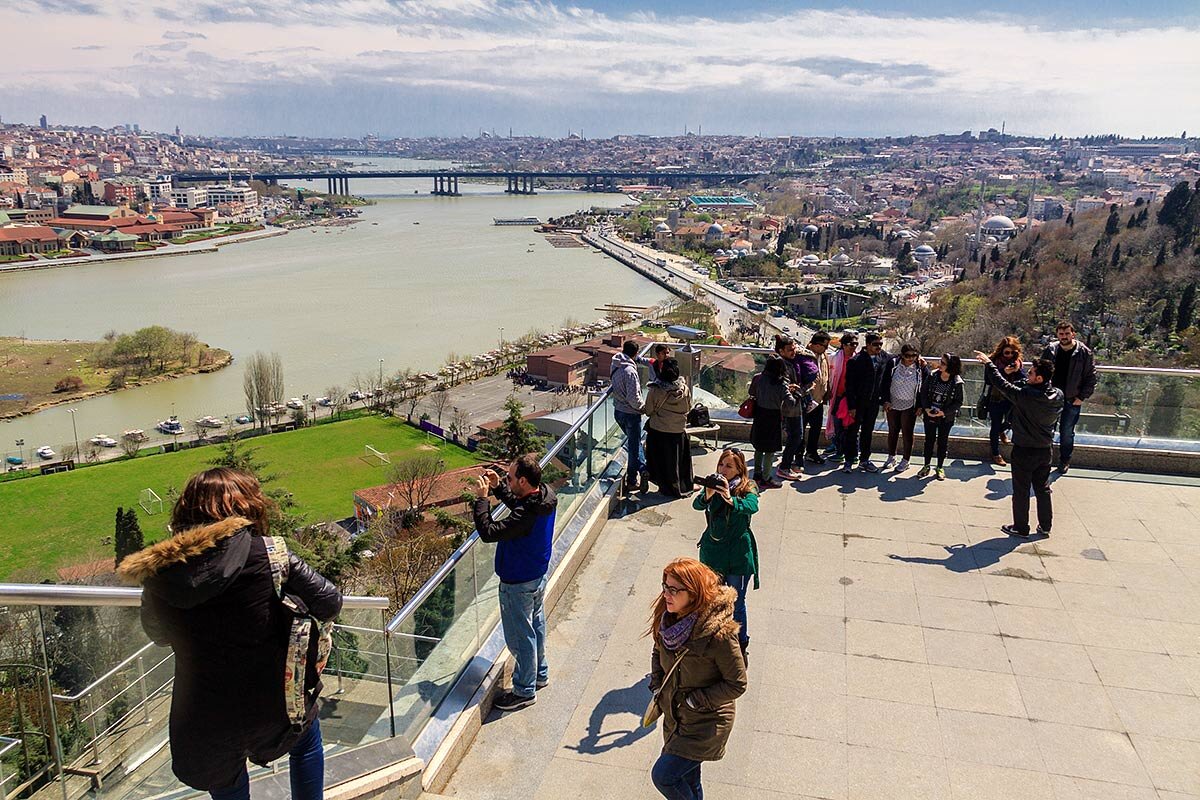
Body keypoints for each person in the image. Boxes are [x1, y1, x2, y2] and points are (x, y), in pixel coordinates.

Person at [118, 468, 343, 800]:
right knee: (306, 739)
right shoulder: (268, 553)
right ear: (247, 507)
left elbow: (158, 634)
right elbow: (329, 602)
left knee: (225, 777)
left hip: (202, 714)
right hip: (274, 702)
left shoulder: (159, 574)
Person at [647, 558, 747, 800]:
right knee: (689, 776)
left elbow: (737, 683)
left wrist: (697, 701)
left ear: (693, 593)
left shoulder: (719, 634)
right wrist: (657, 684)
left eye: (674, 589)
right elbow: (658, 650)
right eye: (665, 586)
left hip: (706, 721)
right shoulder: (669, 619)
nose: (666, 594)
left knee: (664, 776)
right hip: (676, 717)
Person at [472, 454, 558, 711]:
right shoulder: (544, 495)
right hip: (537, 574)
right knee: (536, 626)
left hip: (518, 582)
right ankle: (539, 673)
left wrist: (482, 499)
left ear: (522, 480)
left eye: (510, 478)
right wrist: (500, 488)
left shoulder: (526, 513)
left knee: (520, 637)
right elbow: (522, 508)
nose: (507, 481)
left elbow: (489, 533)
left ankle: (524, 690)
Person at [974, 352, 1065, 537]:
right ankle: (1045, 526)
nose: (1027, 375)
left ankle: (1021, 527)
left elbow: (1002, 384)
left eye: (1030, 373)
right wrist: (1020, 373)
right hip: (1045, 449)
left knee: (1021, 490)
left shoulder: (1025, 396)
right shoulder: (1058, 395)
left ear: (1038, 378)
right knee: (1043, 488)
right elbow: (1024, 386)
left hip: (1024, 449)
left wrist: (989, 364)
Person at [693, 449, 759, 661]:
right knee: (710, 599)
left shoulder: (747, 486)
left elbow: (752, 506)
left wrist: (730, 499)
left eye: (729, 466)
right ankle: (713, 638)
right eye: (722, 465)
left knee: (737, 604)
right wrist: (709, 494)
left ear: (740, 468)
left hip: (738, 556)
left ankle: (740, 645)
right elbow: (697, 504)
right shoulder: (713, 484)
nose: (724, 470)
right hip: (713, 554)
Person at [1041, 322, 1097, 473]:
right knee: (1046, 430)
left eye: (1067, 333)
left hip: (1072, 399)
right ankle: (1044, 461)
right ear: (1057, 334)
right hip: (1051, 399)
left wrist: (1081, 397)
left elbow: (1091, 377)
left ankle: (1065, 460)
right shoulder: (1050, 350)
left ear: (1073, 334)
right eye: (1061, 334)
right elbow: (1041, 371)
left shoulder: (1084, 352)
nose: (1064, 337)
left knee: (1067, 432)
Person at [643, 358, 694, 496]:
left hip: (658, 430)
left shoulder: (655, 390)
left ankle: (661, 483)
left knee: (659, 460)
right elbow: (689, 408)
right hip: (678, 431)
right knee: (677, 462)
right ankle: (681, 485)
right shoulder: (685, 389)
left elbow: (648, 411)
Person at [842, 332, 889, 473]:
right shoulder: (856, 361)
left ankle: (864, 460)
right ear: (867, 345)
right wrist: (852, 406)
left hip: (873, 403)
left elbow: (897, 358)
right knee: (852, 432)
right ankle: (849, 460)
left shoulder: (882, 357)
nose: (878, 347)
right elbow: (849, 385)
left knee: (867, 432)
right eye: (875, 345)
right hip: (858, 403)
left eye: (880, 344)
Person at [879, 343, 929, 472]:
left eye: (914, 355)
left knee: (907, 432)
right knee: (893, 431)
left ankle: (906, 460)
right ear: (902, 355)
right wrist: (886, 400)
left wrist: (920, 406)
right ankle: (891, 457)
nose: (910, 358)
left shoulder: (920, 367)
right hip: (893, 402)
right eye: (907, 355)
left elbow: (924, 388)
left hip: (910, 404)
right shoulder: (893, 363)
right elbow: (884, 382)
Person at [749, 355, 797, 488]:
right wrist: (794, 392)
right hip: (773, 417)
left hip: (759, 414)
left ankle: (757, 476)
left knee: (758, 447)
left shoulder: (758, 378)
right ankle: (766, 477)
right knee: (770, 450)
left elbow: (751, 392)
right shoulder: (781, 383)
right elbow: (791, 403)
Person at [774, 334, 818, 481]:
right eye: (790, 350)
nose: (794, 352)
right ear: (781, 351)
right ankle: (784, 467)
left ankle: (786, 465)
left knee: (796, 436)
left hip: (796, 406)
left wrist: (799, 388)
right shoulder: (782, 366)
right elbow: (787, 390)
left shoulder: (792, 362)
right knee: (796, 436)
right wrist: (807, 388)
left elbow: (795, 387)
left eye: (794, 349)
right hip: (790, 408)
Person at [916, 353, 964, 481]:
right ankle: (926, 465)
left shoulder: (957, 382)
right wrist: (926, 408)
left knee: (942, 441)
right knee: (929, 440)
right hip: (930, 413)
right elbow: (924, 392)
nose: (940, 365)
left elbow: (958, 402)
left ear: (951, 366)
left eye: (943, 363)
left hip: (945, 417)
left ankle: (940, 467)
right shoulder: (933, 376)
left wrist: (944, 412)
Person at [611, 339, 650, 492]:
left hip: (618, 411)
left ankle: (642, 469)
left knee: (634, 443)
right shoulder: (630, 372)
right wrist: (643, 408)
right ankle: (634, 478)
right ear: (635, 353)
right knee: (634, 447)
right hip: (631, 414)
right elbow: (634, 398)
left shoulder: (615, 363)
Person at [984, 337, 1026, 466]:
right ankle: (995, 453)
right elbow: (988, 380)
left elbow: (1024, 380)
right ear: (1001, 351)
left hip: (1012, 397)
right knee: (995, 425)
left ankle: (1001, 431)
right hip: (995, 398)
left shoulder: (1017, 362)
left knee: (1012, 421)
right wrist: (1002, 372)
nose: (1010, 356)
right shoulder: (993, 362)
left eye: (1013, 353)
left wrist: (1016, 370)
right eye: (1007, 352)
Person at [824, 332, 859, 462]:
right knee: (837, 424)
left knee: (851, 426)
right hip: (837, 396)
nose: (854, 347)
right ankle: (838, 450)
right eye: (851, 344)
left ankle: (851, 453)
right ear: (843, 345)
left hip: (852, 399)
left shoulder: (858, 359)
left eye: (856, 344)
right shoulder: (833, 358)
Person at [802, 332, 832, 464]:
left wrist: (827, 390)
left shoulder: (824, 355)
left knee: (816, 428)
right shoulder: (803, 356)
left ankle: (811, 452)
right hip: (805, 400)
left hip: (818, 400)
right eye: (824, 346)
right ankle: (797, 455)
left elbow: (826, 374)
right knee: (800, 430)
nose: (826, 348)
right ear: (815, 344)